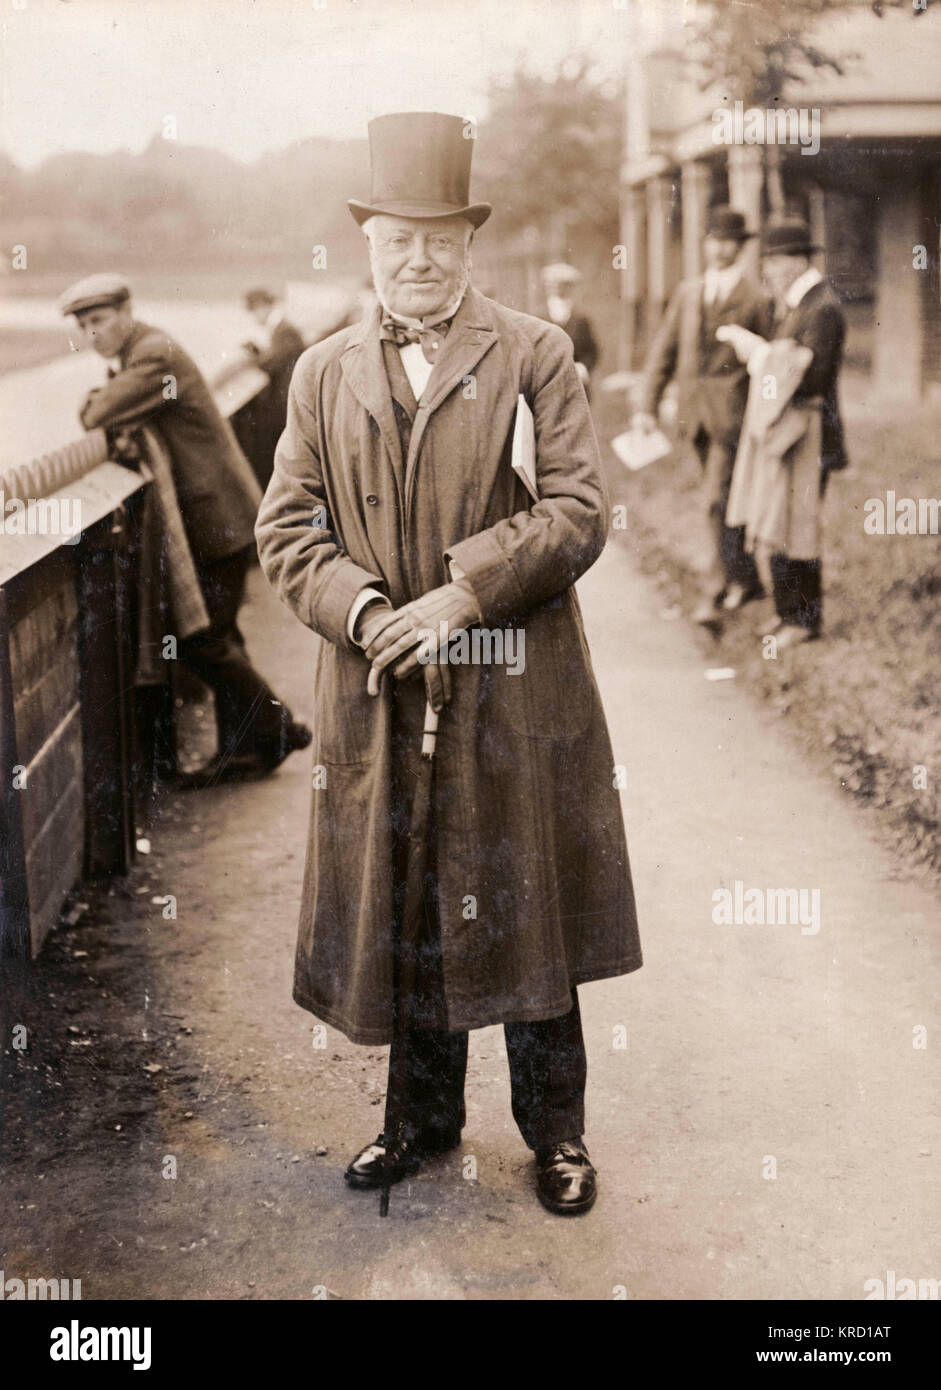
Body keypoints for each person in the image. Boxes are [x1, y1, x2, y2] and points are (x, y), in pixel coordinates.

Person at [255, 111, 642, 1216]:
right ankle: (417, 1123)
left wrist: (463, 591)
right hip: (377, 682)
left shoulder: (533, 353)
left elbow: (577, 512)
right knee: (408, 896)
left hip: (515, 680)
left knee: (528, 900)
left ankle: (557, 1134)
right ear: (367, 243)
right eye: (396, 239)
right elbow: (287, 529)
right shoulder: (322, 372)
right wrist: (366, 607)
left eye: (438, 239)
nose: (416, 259)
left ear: (468, 246)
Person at [61, 274, 311, 784]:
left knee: (201, 639)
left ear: (127, 312)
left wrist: (97, 396)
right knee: (222, 633)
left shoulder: (153, 355)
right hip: (222, 512)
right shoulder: (145, 352)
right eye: (85, 326)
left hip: (216, 517)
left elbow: (96, 414)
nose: (93, 334)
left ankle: (277, 725)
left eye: (100, 320)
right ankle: (247, 748)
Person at [634, 206, 773, 625]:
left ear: (741, 247)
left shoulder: (757, 297)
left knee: (716, 499)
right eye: (713, 239)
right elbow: (664, 351)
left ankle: (714, 594)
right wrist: (647, 406)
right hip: (693, 417)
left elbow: (768, 361)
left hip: (735, 418)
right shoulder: (690, 292)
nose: (719, 247)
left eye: (728, 240)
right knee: (725, 501)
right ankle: (745, 579)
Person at [722, 217, 847, 650]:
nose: (769, 271)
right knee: (780, 521)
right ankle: (786, 613)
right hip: (790, 434)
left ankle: (804, 621)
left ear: (794, 261)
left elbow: (809, 375)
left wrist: (759, 354)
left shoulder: (822, 307)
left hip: (811, 436)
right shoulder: (798, 304)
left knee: (800, 528)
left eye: (774, 262)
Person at [239, 288, 306, 489]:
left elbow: (272, 363)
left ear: (264, 307)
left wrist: (253, 355)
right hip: (283, 401)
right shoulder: (282, 329)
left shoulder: (285, 330)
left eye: (254, 311)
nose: (254, 317)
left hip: (283, 404)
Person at [540, 263, 599, 399]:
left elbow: (592, 351)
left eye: (563, 285)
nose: (558, 289)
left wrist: (583, 367)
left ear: (570, 288)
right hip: (546, 384)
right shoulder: (539, 316)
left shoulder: (580, 319)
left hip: (576, 384)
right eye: (553, 284)